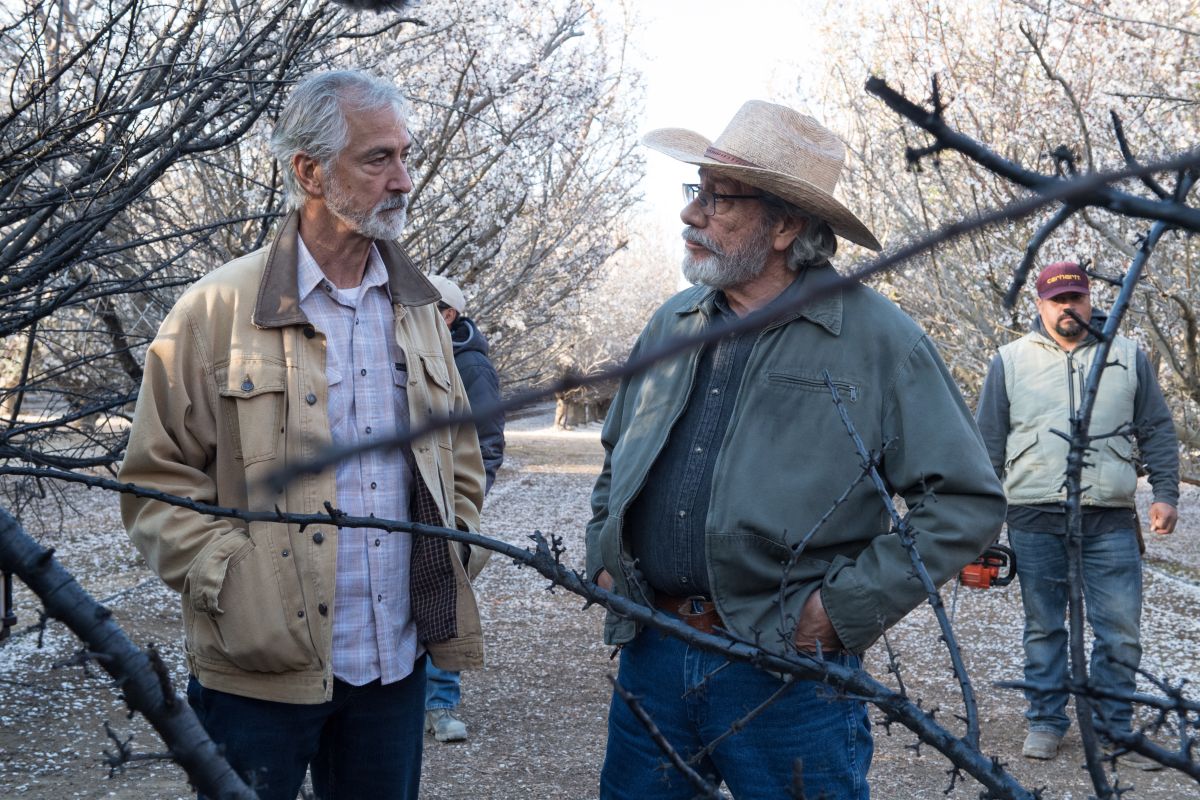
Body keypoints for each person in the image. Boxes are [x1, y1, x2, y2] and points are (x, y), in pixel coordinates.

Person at [585, 100, 1006, 800]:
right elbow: (616, 453)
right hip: (652, 656)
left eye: (719, 198)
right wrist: (605, 553)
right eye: (696, 190)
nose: (691, 214)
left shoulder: (878, 340)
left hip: (789, 677)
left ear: (785, 227)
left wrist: (841, 612)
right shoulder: (672, 323)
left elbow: (964, 501)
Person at [119, 70, 486, 800]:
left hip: (393, 666)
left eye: (404, 156)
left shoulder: (420, 308)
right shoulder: (216, 309)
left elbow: (461, 464)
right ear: (310, 172)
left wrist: (455, 549)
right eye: (377, 159)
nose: (403, 180)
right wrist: (236, 587)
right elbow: (156, 481)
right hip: (257, 677)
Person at [975, 261, 1179, 769]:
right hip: (1033, 515)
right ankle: (1045, 721)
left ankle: (1112, 728)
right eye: (1057, 300)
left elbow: (1156, 428)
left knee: (1120, 630)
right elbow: (988, 444)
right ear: (1040, 305)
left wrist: (1165, 493)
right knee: (1044, 626)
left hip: (1109, 517)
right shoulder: (1010, 360)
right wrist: (981, 521)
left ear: (1090, 300)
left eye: (1076, 297)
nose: (1068, 307)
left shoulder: (1127, 356)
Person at [423, 274, 505, 742]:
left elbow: (487, 440)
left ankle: (440, 704)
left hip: (447, 502)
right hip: (413, 494)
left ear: (448, 315)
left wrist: (466, 503)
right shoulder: (417, 352)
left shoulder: (470, 365)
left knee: (445, 595)